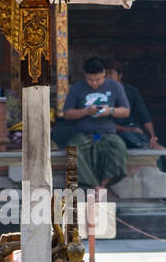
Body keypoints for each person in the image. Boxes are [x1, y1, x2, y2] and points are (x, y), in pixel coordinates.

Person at [56, 57, 131, 190]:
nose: (94, 83)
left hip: (107, 133)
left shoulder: (115, 86)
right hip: (84, 134)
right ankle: (94, 185)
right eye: (91, 80)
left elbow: (125, 111)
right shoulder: (76, 88)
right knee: (73, 150)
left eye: (98, 79)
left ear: (104, 74)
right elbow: (67, 114)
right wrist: (86, 111)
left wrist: (110, 110)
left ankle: (103, 184)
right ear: (85, 75)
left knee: (119, 147)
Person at [105, 62, 166, 164]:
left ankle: (154, 147)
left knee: (150, 151)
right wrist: (128, 129)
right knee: (126, 136)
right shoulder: (102, 94)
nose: (107, 76)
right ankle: (157, 148)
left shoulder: (131, 91)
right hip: (115, 132)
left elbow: (144, 115)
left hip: (135, 133)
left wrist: (153, 137)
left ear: (120, 75)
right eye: (105, 73)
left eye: (110, 73)